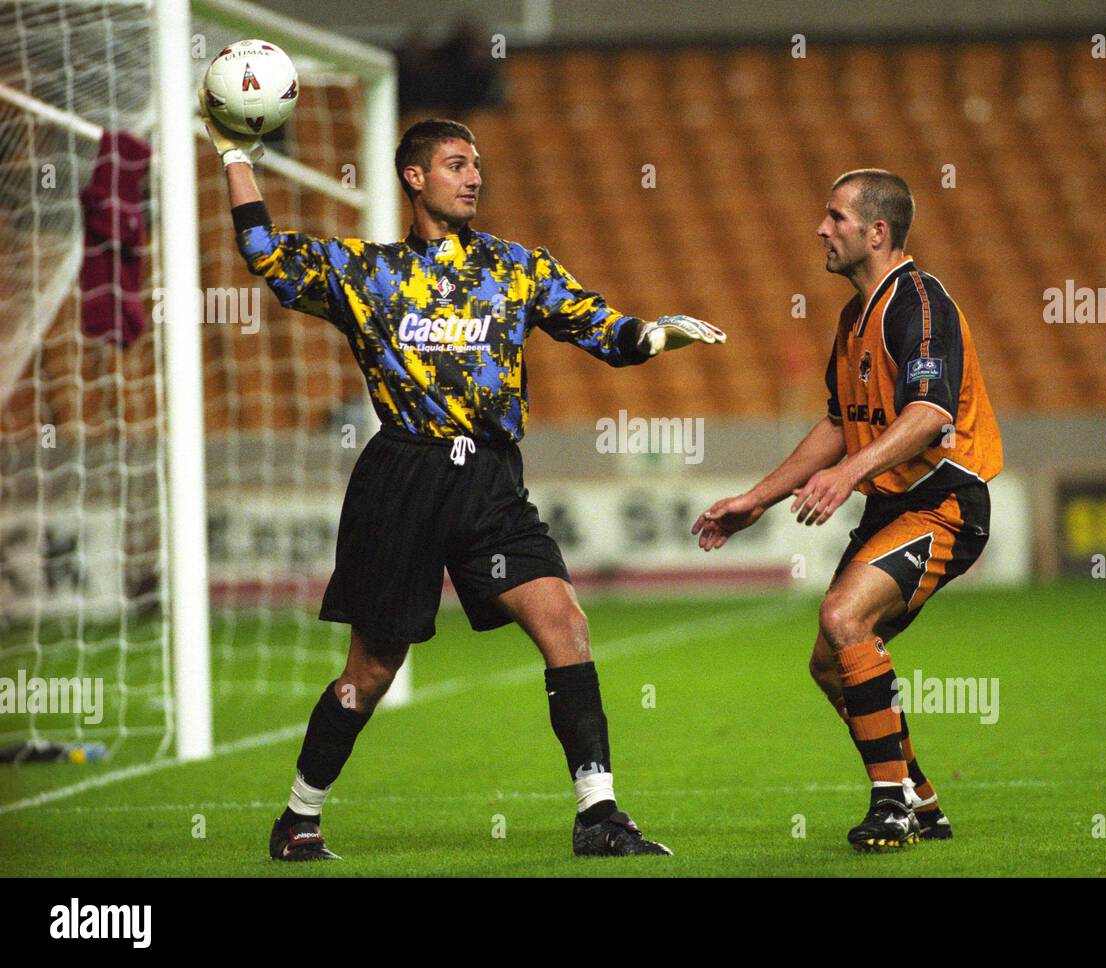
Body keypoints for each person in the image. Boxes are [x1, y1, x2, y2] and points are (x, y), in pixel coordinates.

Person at [198, 95, 725, 860]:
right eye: (456, 164)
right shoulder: (367, 273)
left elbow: (599, 327)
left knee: (566, 625)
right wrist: (232, 153)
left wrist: (650, 335)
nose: (474, 177)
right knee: (373, 668)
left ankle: (599, 813)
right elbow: (269, 258)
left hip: (488, 482)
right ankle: (297, 819)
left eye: (476, 164)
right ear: (415, 177)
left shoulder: (517, 267)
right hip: (402, 479)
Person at [692, 169, 1001, 851]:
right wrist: (757, 498)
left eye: (835, 217)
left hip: (944, 500)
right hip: (893, 505)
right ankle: (920, 800)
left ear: (877, 231)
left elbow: (928, 413)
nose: (821, 229)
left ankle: (888, 805)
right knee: (830, 663)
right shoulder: (854, 315)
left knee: (843, 617)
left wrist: (848, 472)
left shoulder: (918, 302)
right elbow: (839, 422)